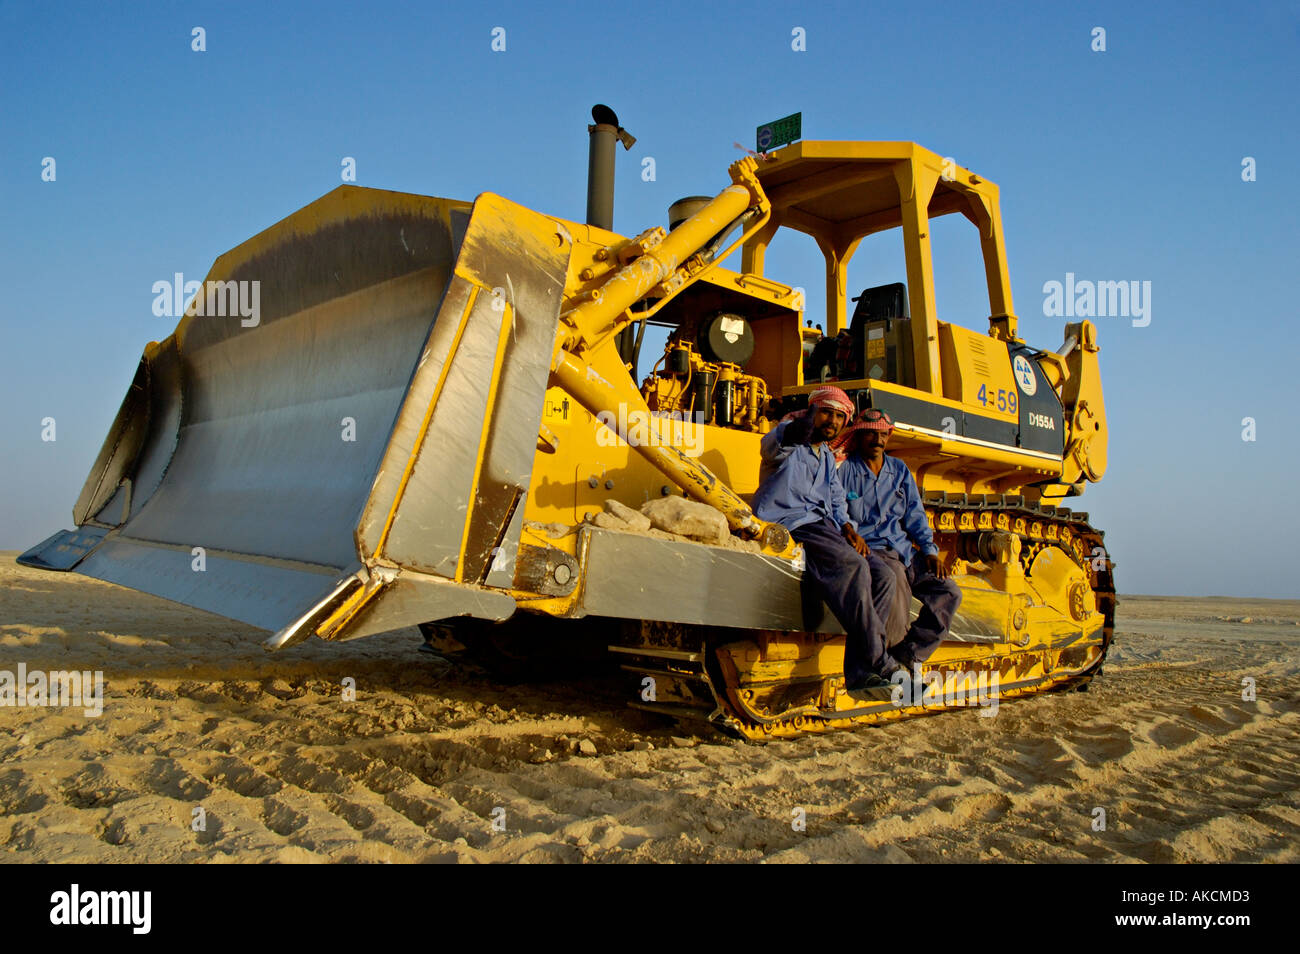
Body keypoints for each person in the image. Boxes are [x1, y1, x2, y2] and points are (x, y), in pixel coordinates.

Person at [751, 386, 898, 702]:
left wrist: (849, 528)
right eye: (825, 413)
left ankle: (861, 674)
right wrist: (799, 428)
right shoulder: (790, 443)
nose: (831, 421)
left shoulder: (828, 459)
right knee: (855, 567)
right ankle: (880, 660)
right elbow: (772, 446)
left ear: (845, 423)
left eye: (838, 416)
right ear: (812, 413)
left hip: (827, 527)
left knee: (885, 575)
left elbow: (835, 499)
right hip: (793, 523)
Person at [836, 408, 962, 683]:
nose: (878, 440)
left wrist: (929, 551)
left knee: (949, 592)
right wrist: (850, 531)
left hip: (906, 551)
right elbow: (837, 509)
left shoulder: (898, 470)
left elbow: (915, 514)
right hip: (873, 549)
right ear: (859, 436)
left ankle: (908, 654)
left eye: (883, 434)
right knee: (891, 586)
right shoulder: (846, 470)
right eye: (872, 434)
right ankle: (878, 664)